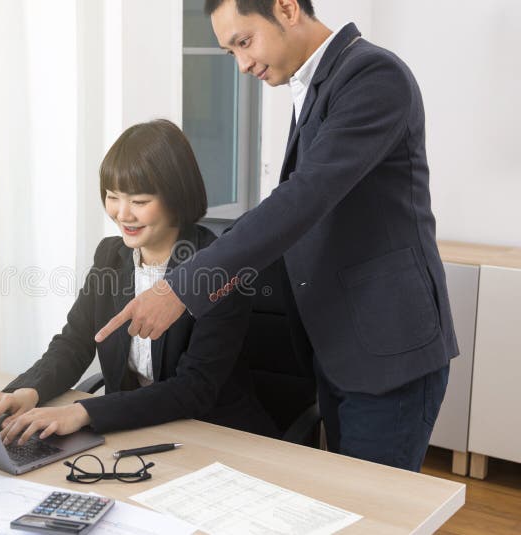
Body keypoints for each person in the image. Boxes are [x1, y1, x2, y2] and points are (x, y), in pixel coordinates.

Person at [95, 0, 458, 472]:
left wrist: (183, 287)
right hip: (341, 345)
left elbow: (304, 199)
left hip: (389, 347)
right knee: (344, 501)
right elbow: (293, 203)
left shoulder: (372, 75)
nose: (243, 64)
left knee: (373, 511)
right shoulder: (313, 86)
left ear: (286, 8)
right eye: (230, 52)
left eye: (244, 42)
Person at [0, 119, 278, 445]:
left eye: (139, 202)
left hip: (214, 436)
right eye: (113, 196)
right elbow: (75, 343)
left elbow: (194, 388)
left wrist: (85, 412)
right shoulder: (111, 256)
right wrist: (31, 389)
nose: (122, 213)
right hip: (135, 432)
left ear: (176, 197)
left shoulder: (216, 267)